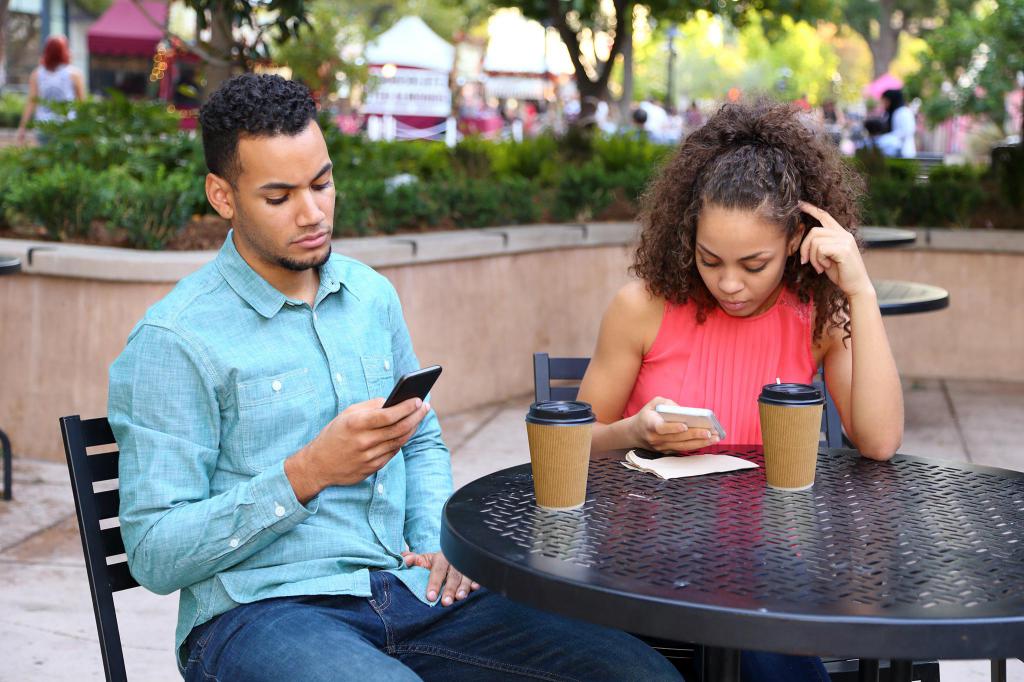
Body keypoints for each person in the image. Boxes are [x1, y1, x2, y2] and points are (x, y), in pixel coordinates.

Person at [108, 73, 681, 682]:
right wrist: (308, 473)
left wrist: (436, 537)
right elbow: (154, 553)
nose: (313, 213)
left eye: (322, 184)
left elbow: (423, 438)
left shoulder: (368, 296)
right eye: (279, 197)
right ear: (222, 196)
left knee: (637, 672)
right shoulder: (176, 340)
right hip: (263, 611)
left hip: (408, 591)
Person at [578, 99, 904, 679]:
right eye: (710, 260)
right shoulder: (642, 309)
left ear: (796, 242)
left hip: (774, 558)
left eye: (754, 265)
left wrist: (860, 292)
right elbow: (569, 446)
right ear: (687, 240)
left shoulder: (815, 315)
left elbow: (878, 442)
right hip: (648, 556)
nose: (729, 284)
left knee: (760, 620)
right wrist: (634, 432)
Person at [16, 35, 85, 145]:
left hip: (44, 127)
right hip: (67, 127)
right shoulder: (75, 74)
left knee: (45, 160)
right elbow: (82, 105)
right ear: (65, 51)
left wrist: (22, 127)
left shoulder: (37, 74)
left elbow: (31, 102)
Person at [875, 88, 916, 158]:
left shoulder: (903, 112)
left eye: (885, 101)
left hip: (904, 154)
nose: (884, 104)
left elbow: (907, 131)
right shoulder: (892, 113)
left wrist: (884, 139)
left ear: (892, 100)